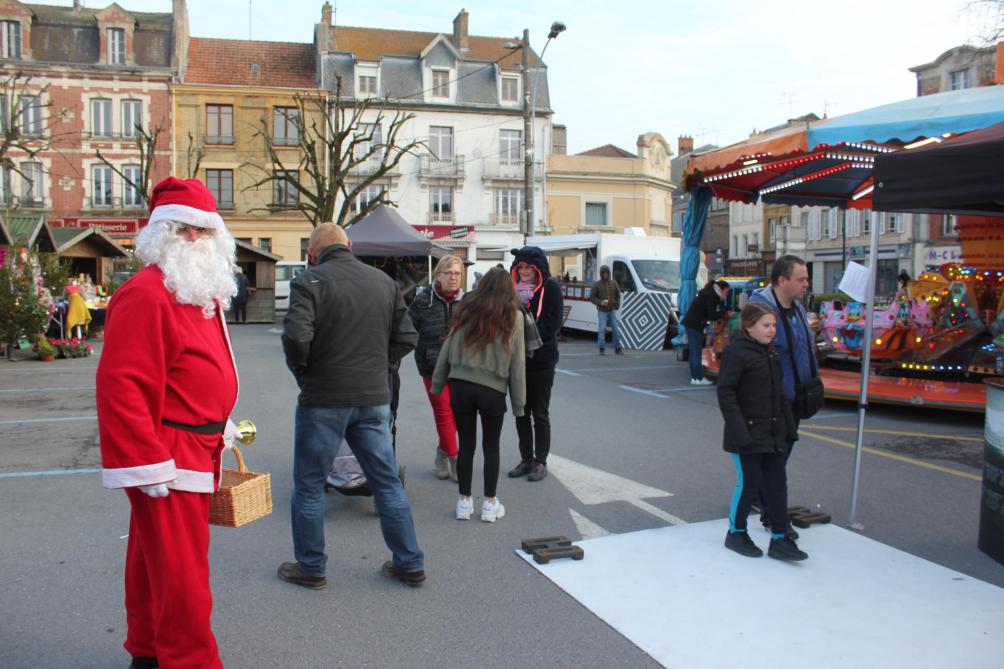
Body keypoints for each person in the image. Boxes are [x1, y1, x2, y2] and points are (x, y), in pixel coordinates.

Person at [96, 176, 242, 669]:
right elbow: (123, 386)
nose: (195, 240)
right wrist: (147, 462)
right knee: (183, 578)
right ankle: (188, 661)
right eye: (183, 230)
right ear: (160, 233)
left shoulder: (197, 292)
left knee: (150, 563)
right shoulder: (147, 294)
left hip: (194, 450)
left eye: (203, 230)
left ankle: (148, 650)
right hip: (168, 459)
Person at [280, 223, 424, 590]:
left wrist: (304, 372)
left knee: (310, 485)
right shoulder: (384, 283)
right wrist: (382, 366)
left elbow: (297, 337)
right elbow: (407, 337)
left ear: (313, 253)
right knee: (386, 482)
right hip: (373, 396)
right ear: (350, 245)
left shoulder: (309, 281)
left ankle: (311, 567)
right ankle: (409, 562)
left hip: (324, 397)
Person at [431, 267, 525, 522]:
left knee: (467, 446)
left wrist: (438, 384)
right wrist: (519, 405)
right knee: (491, 447)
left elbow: (447, 347)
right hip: (492, 390)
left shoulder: (466, 310)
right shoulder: (513, 316)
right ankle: (489, 504)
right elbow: (517, 364)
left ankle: (464, 501)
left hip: (460, 386)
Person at [716, 302, 807, 561]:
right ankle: (736, 533)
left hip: (773, 431)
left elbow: (778, 394)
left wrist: (788, 428)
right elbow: (726, 393)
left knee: (777, 484)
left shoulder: (771, 354)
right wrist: (740, 432)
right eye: (766, 325)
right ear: (749, 326)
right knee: (749, 483)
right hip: (746, 433)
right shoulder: (737, 353)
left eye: (774, 325)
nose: (772, 330)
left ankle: (780, 538)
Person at [749, 255, 816, 538]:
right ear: (782, 280)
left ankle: (760, 497)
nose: (806, 284)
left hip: (796, 397)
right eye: (800, 279)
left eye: (806, 278)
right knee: (775, 460)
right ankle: (772, 515)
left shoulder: (797, 309)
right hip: (773, 400)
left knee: (781, 457)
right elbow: (748, 356)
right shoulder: (761, 310)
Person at [507, 246, 563, 482]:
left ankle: (540, 461)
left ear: (538, 269)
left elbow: (553, 321)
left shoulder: (551, 288)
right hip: (517, 362)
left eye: (529, 268)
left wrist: (526, 339)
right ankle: (526, 459)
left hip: (541, 361)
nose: (525, 272)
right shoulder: (510, 291)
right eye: (521, 268)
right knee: (521, 412)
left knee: (539, 413)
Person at [408, 255, 465, 481]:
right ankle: (454, 458)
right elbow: (408, 330)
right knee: (443, 413)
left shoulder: (467, 302)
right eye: (448, 273)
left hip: (461, 368)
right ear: (438, 275)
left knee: (459, 417)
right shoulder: (422, 301)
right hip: (432, 367)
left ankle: (442, 452)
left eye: (457, 274)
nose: (453, 277)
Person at [681, 279, 730, 385]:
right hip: (695, 324)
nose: (727, 294)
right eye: (727, 291)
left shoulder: (708, 293)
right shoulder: (712, 296)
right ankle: (698, 378)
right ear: (722, 289)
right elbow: (712, 315)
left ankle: (695, 377)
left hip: (691, 323)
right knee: (696, 351)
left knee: (693, 351)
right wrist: (724, 311)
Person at [590, 264, 624, 355]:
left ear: (609, 273)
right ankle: (601, 348)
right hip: (602, 310)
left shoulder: (614, 283)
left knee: (615, 329)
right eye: (604, 273)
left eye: (607, 272)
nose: (605, 274)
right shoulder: (597, 285)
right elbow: (592, 297)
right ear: (601, 274)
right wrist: (600, 302)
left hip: (612, 310)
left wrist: (617, 305)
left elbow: (618, 295)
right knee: (602, 329)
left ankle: (618, 348)